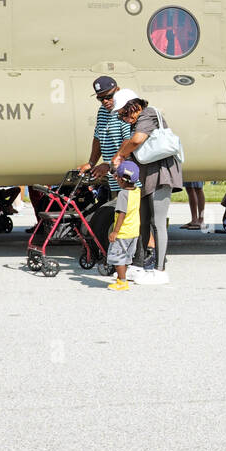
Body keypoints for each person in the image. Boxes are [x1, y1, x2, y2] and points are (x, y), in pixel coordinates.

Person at [111, 89, 183, 285]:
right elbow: (131, 142)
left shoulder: (147, 113)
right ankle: (138, 266)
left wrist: (120, 156)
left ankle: (160, 271)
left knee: (157, 222)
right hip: (148, 175)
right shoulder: (137, 120)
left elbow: (137, 140)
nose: (122, 117)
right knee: (142, 221)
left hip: (163, 173)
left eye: (123, 113)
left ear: (132, 106)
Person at [79, 76, 130, 197]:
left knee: (128, 214)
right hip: (115, 178)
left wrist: (109, 164)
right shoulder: (102, 111)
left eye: (108, 97)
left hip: (130, 178)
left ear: (118, 90)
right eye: (100, 98)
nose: (105, 101)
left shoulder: (126, 110)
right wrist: (91, 163)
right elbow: (98, 137)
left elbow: (129, 141)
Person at [106, 162, 142, 292]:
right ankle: (122, 278)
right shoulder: (137, 191)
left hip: (123, 232)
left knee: (118, 258)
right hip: (134, 231)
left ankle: (122, 282)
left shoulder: (123, 194)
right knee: (126, 257)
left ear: (121, 180)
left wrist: (115, 231)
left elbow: (122, 213)